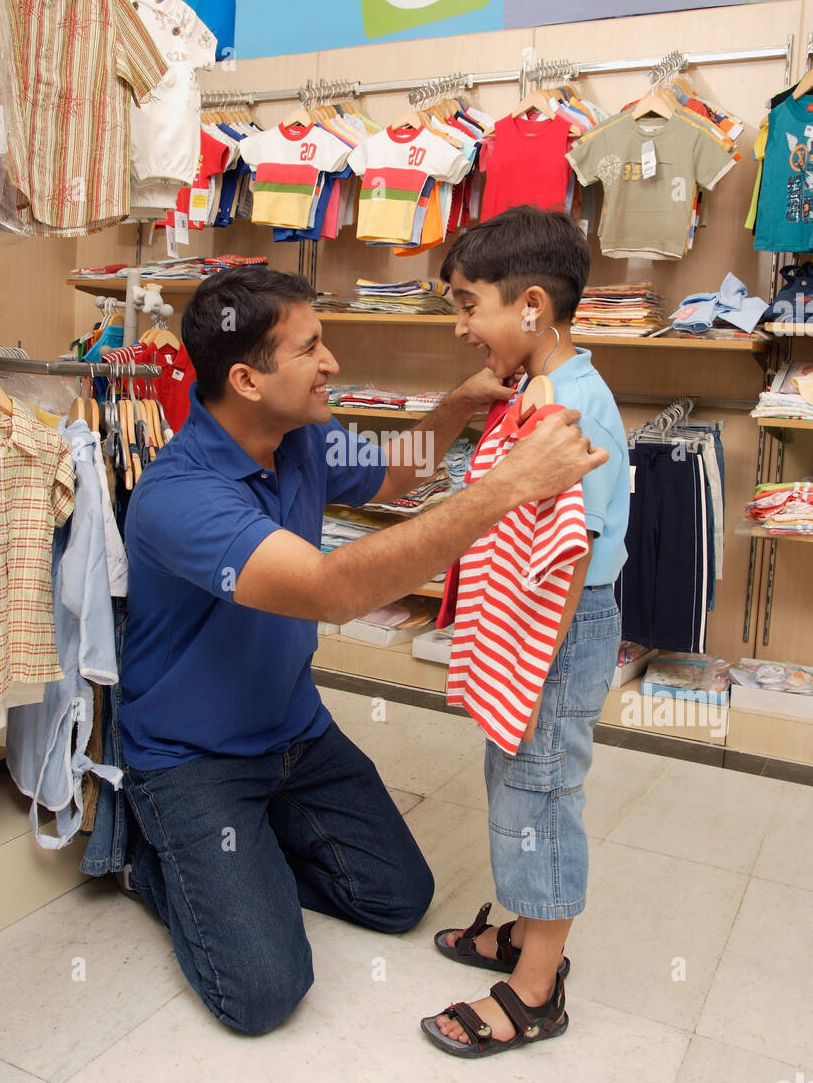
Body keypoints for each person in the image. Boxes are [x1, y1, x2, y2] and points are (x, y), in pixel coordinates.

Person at [117, 266, 608, 1036]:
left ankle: (246, 858)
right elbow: (329, 589)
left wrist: (458, 405)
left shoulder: (298, 437)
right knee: (264, 994)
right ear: (246, 378)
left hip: (295, 734)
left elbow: (394, 473)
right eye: (311, 348)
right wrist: (507, 486)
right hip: (192, 758)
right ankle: (157, 859)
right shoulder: (179, 498)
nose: (332, 364)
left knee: (397, 899)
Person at [422, 204, 628, 1058]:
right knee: (519, 783)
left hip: (554, 629)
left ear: (532, 306)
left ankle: (536, 988)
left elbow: (570, 551)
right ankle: (521, 930)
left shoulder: (566, 410)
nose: (463, 326)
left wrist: (527, 653)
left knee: (540, 794)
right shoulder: (543, 388)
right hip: (539, 626)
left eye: (470, 305)